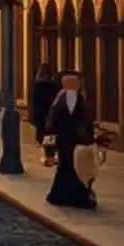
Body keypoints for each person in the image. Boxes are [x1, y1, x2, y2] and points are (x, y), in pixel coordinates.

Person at [45, 70, 98, 209]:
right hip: (67, 139)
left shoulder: (73, 100)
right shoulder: (67, 100)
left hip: (73, 140)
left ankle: (69, 196)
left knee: (74, 168)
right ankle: (69, 196)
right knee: (68, 166)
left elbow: (51, 123)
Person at [31, 63, 61, 167]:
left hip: (41, 117)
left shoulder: (37, 87)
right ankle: (51, 157)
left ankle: (49, 157)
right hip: (51, 116)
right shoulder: (55, 87)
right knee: (51, 137)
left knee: (45, 137)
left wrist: (34, 118)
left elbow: (35, 104)